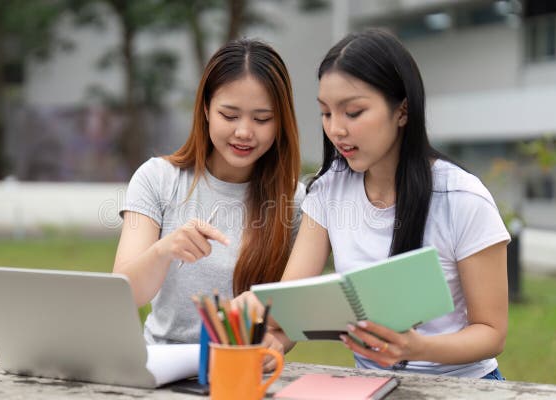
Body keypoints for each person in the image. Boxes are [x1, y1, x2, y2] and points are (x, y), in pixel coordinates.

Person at [238, 28, 510, 379]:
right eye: (326, 113)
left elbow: (492, 332)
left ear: (402, 111)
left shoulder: (462, 198)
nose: (336, 129)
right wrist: (273, 336)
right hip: (373, 385)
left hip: (465, 385)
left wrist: (417, 348)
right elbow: (290, 306)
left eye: (353, 112)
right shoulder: (328, 191)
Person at [113, 38, 305, 350]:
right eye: (229, 115)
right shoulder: (157, 179)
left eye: (262, 119)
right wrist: (164, 250)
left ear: (281, 122)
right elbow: (121, 294)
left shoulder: (293, 201)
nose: (244, 132)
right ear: (205, 108)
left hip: (241, 369)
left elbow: (294, 308)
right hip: (162, 366)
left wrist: (278, 343)